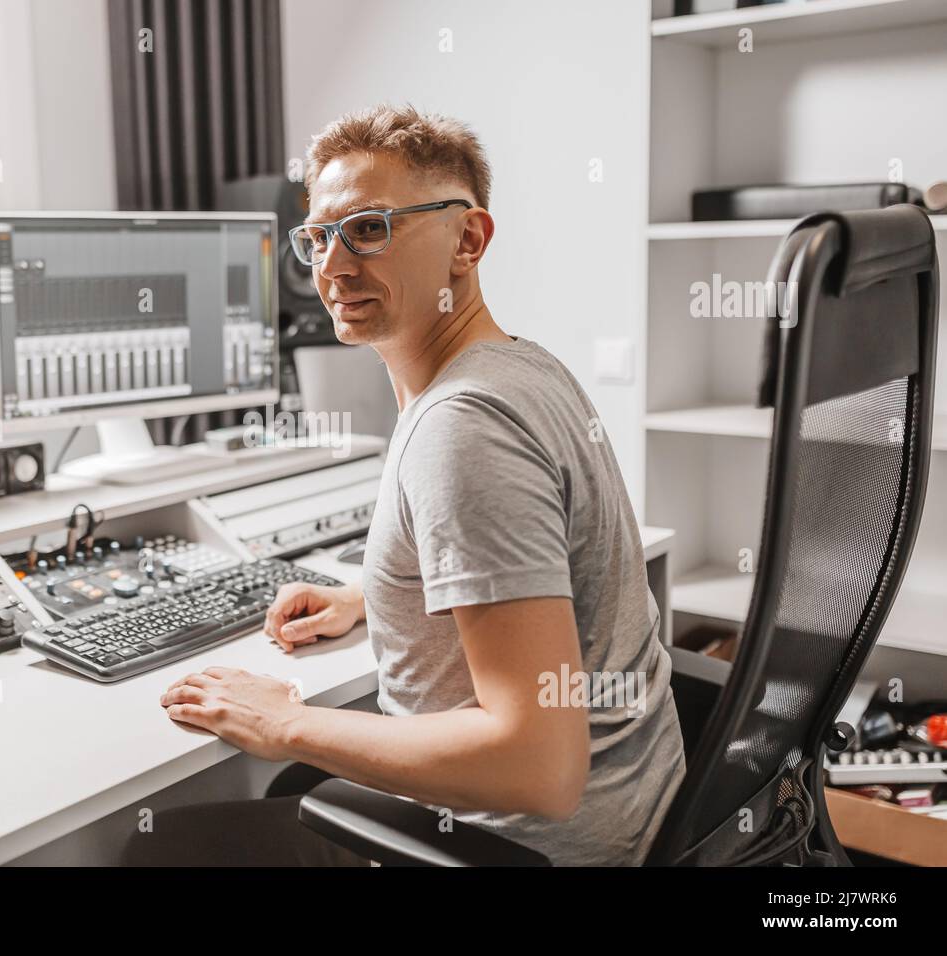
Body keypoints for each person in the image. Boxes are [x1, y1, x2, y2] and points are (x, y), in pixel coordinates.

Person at [123, 104, 684, 867]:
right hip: (630, 819)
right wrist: (377, 593)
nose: (332, 266)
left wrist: (281, 719)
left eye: (370, 229)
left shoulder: (462, 428)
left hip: (518, 844)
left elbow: (538, 767)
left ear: (468, 239)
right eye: (318, 236)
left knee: (158, 849)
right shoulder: (519, 367)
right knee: (290, 786)